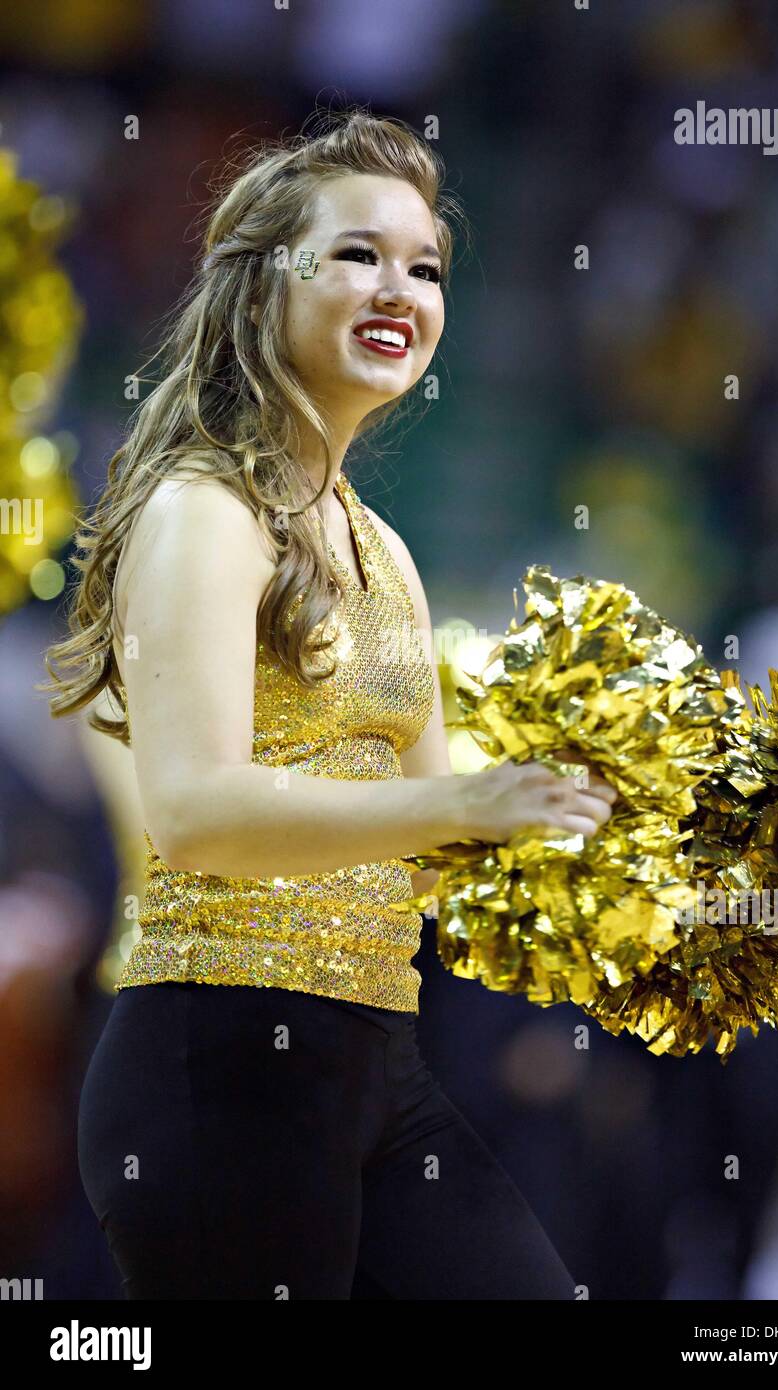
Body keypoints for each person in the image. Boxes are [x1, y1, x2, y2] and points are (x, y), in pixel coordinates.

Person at [43, 107, 617, 1300]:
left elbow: (426, 847)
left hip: (375, 1066)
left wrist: (626, 836)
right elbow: (195, 811)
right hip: (219, 1063)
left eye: (424, 266)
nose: (397, 285)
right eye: (357, 252)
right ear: (267, 283)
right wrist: (466, 795)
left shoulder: (385, 553)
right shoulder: (202, 510)